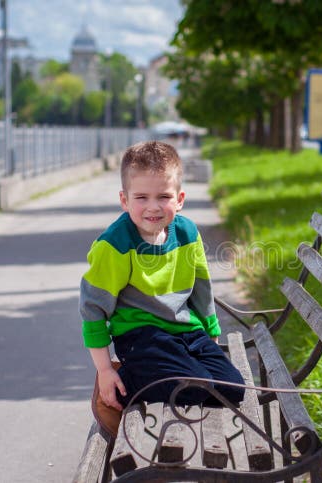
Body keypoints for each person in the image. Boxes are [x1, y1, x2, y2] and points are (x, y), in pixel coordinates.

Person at [79, 141, 244, 433]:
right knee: (194, 386)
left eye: (163, 196)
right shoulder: (114, 244)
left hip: (187, 331)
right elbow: (92, 309)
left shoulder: (187, 232)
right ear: (124, 199)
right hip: (141, 336)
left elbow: (202, 288)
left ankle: (169, 375)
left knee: (232, 389)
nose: (153, 207)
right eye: (141, 197)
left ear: (179, 199)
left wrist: (211, 334)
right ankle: (124, 383)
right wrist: (104, 370)